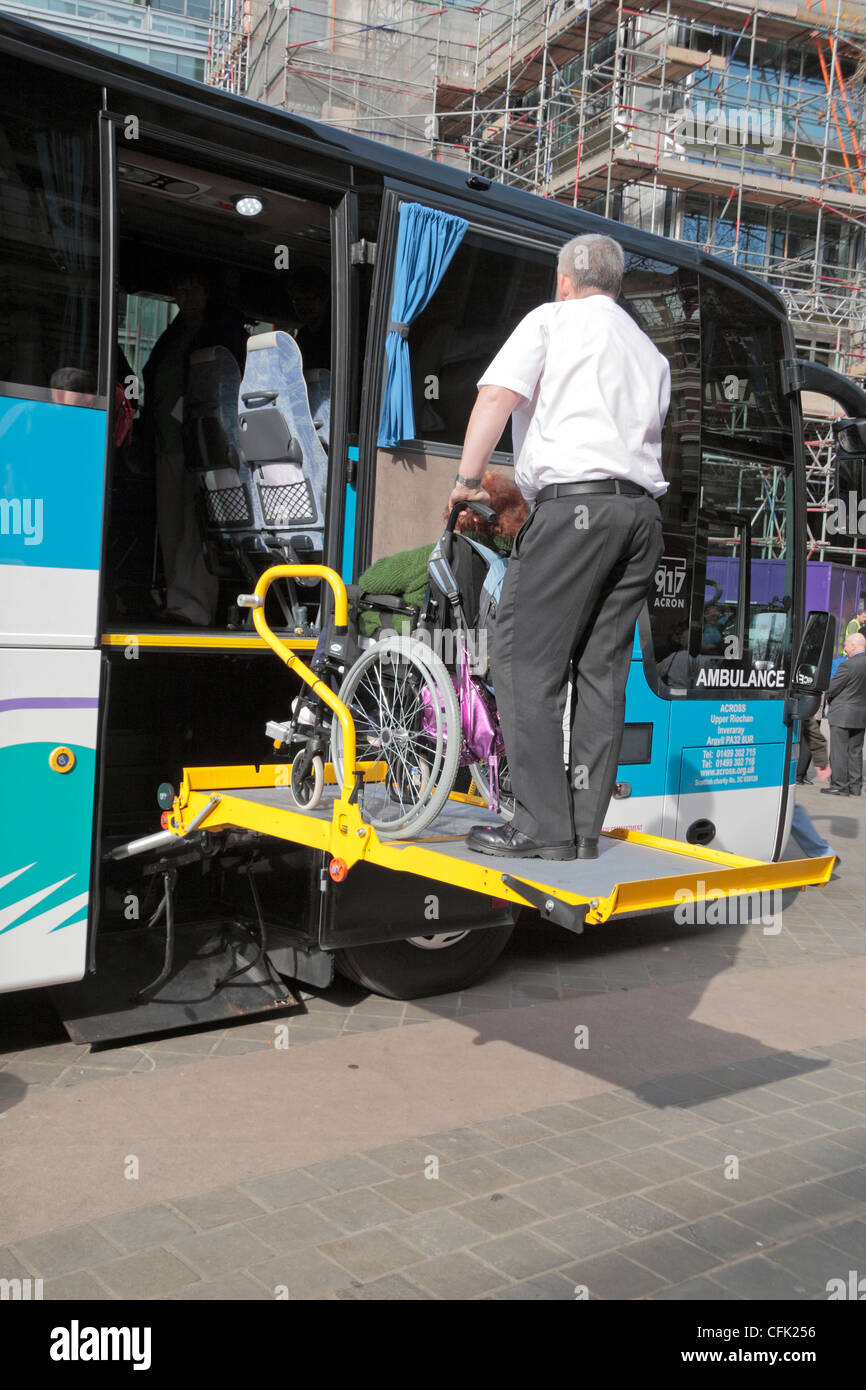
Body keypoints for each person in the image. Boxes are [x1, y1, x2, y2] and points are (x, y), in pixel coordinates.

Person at [449, 233, 671, 861]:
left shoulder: (552, 320)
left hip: (575, 510)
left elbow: (497, 398)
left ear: (565, 280)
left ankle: (538, 827)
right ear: (617, 284)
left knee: (524, 663)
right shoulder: (651, 352)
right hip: (640, 517)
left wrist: (468, 483)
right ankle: (580, 830)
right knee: (601, 674)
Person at [141, 268, 248, 626]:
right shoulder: (172, 336)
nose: (187, 296)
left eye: (194, 288)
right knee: (171, 524)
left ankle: (195, 607)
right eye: (181, 289)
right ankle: (176, 597)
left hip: (204, 445)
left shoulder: (221, 332)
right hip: (167, 444)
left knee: (196, 526)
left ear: (208, 293)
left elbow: (226, 383)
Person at [822, 631, 866, 796]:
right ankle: (855, 787)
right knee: (855, 751)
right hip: (861, 715)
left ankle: (839, 786)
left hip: (842, 714)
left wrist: (829, 696)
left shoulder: (848, 665)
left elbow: (833, 687)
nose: (844, 648)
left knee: (839, 751)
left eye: (846, 644)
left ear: (854, 646)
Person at [286, 266, 330, 371]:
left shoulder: (337, 335)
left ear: (324, 298)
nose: (302, 306)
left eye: (308, 299)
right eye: (297, 300)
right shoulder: (303, 337)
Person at [795, 714, 832, 785]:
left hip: (813, 715)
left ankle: (802, 775)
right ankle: (799, 775)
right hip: (811, 715)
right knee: (807, 745)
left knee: (809, 744)